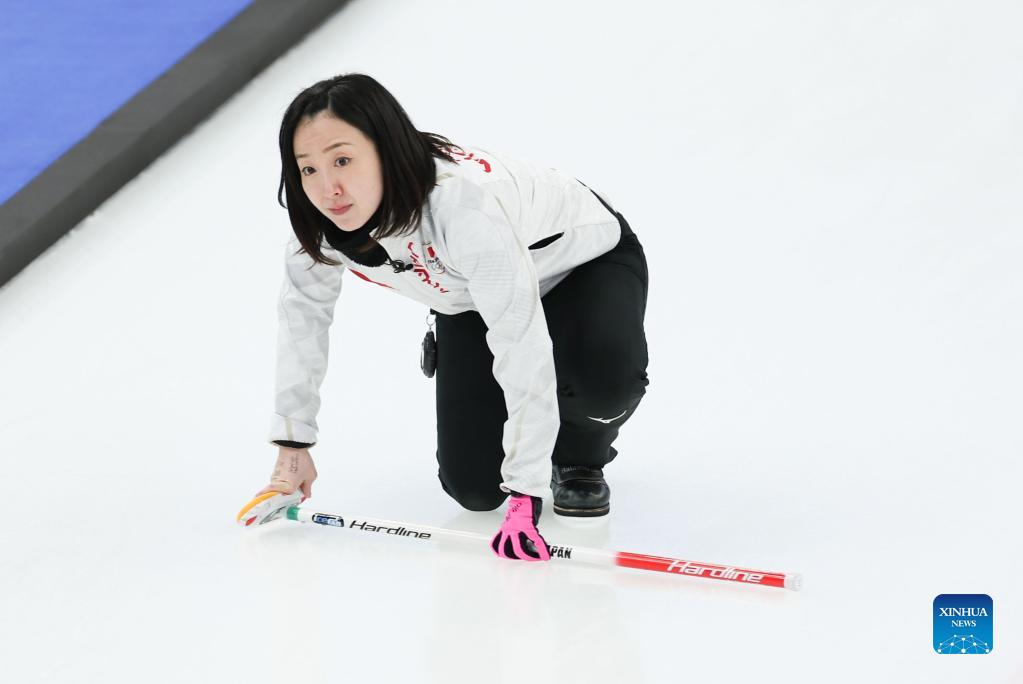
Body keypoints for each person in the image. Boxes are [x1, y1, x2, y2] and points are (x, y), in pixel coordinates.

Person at [252, 73, 649, 562]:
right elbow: (301, 328)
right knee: (476, 490)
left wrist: (526, 495)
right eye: (307, 169)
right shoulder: (316, 232)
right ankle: (536, 449)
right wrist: (292, 449)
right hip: (469, 294)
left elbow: (520, 341)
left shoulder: (461, 207)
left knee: (602, 385)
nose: (328, 187)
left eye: (342, 160)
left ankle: (578, 457)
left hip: (580, 261)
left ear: (386, 149)